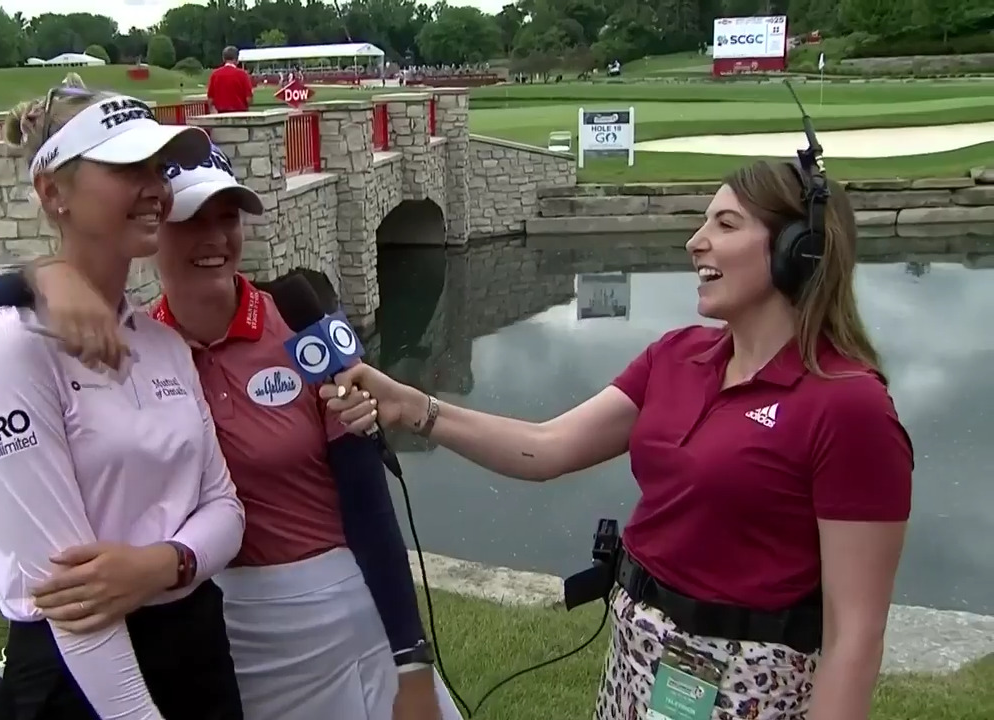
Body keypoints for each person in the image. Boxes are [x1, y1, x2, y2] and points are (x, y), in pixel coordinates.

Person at [0, 89, 460, 720]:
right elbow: (69, 591)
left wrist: (410, 660)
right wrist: (40, 275)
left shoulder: (261, 329)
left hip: (230, 632)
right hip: (156, 650)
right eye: (190, 217)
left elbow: (288, 505)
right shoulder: (52, 340)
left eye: (227, 215)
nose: (213, 236)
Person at [323, 159, 913, 720]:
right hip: (637, 656)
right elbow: (546, 447)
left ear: (798, 250)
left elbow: (855, 634)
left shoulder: (848, 406)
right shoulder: (677, 356)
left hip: (753, 682)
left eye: (726, 224)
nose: (696, 242)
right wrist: (412, 406)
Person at [0, 79, 247, 719]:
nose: (155, 187)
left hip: (195, 645)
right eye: (126, 167)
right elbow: (71, 594)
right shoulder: (7, 346)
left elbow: (225, 507)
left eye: (157, 168)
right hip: (77, 676)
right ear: (52, 192)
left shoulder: (164, 343)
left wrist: (163, 564)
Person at [207, 46, 253, 113]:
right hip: (240, 113)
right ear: (236, 59)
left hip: (221, 113)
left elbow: (210, 97)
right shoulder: (242, 74)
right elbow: (249, 99)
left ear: (223, 59)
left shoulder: (215, 74)